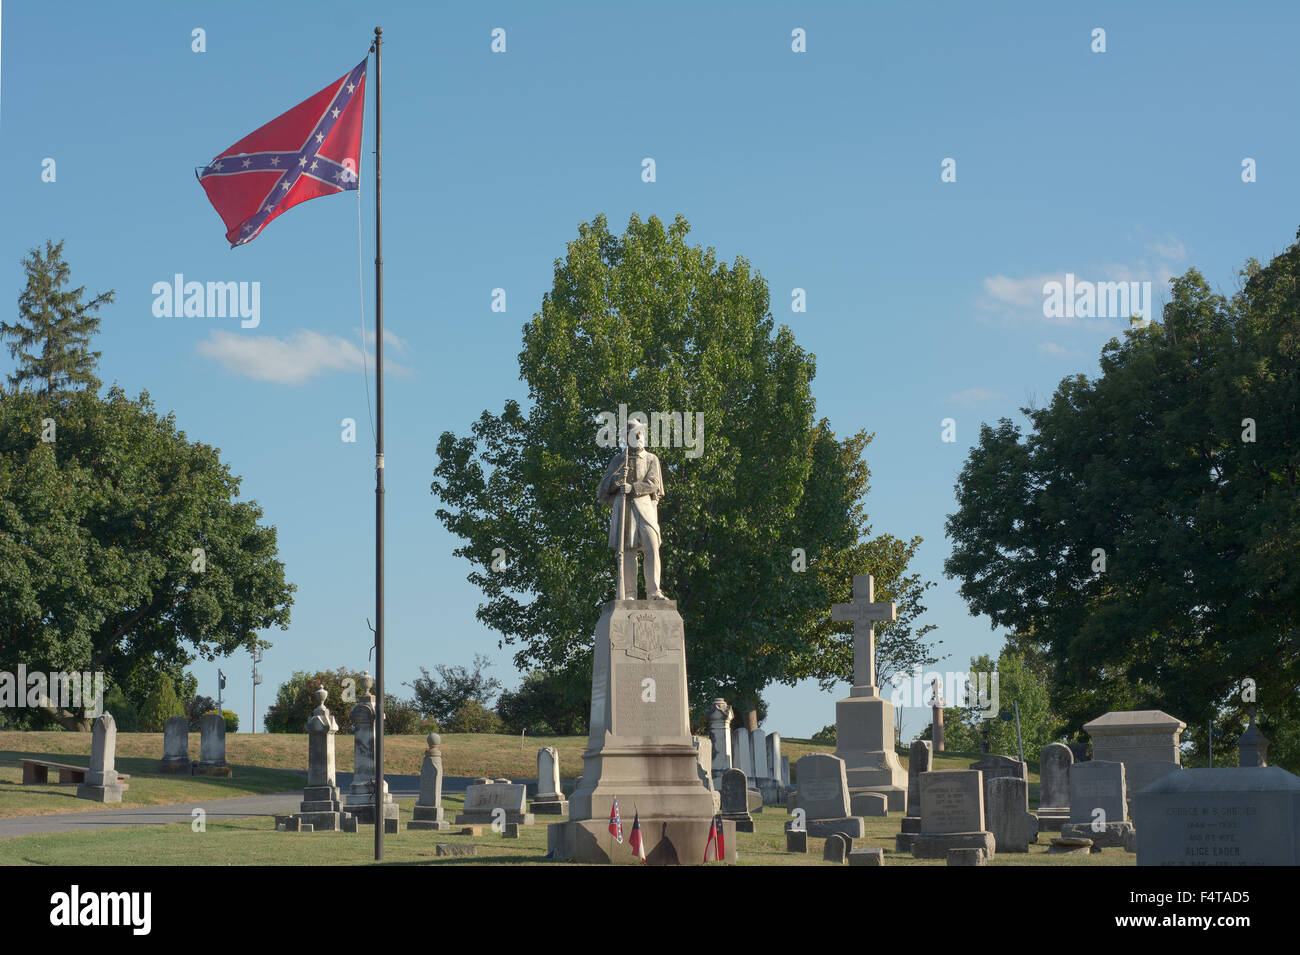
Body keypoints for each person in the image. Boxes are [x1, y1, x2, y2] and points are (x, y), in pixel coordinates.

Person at [597, 419, 667, 600]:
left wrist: (633, 488)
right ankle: (629, 593)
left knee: (652, 546)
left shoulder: (652, 459)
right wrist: (618, 479)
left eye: (640, 433)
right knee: (628, 550)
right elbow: (603, 488)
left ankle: (654, 591)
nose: (638, 437)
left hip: (645, 508)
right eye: (634, 434)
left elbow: (654, 483)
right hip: (625, 509)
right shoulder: (619, 459)